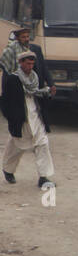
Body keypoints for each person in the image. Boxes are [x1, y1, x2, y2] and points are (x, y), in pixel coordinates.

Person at [1, 49, 55, 188]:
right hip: (21, 119)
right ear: (20, 63)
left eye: (32, 64)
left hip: (35, 116)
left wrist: (47, 93)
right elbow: (5, 101)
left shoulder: (34, 78)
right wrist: (12, 118)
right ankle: (8, 169)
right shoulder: (13, 79)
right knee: (17, 145)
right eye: (27, 64)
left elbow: (38, 93)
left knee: (42, 144)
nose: (30, 66)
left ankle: (43, 177)